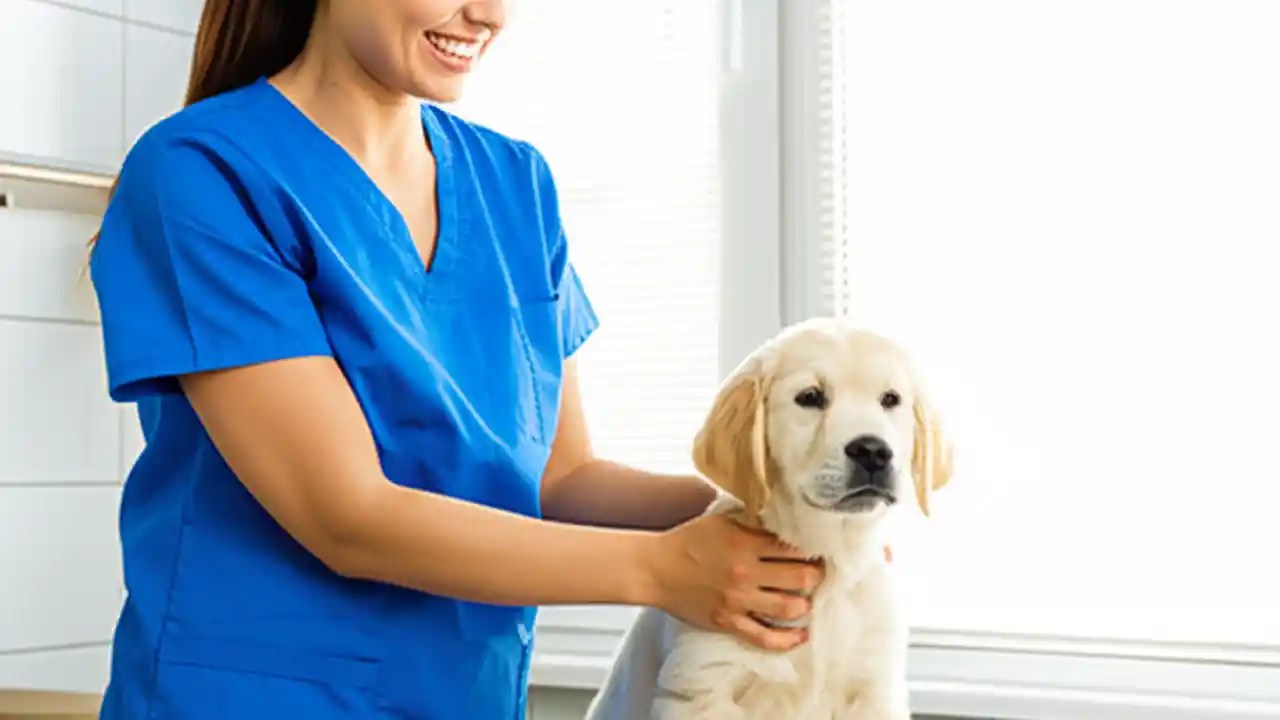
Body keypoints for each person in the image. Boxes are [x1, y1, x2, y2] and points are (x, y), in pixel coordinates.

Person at [87, 1, 824, 718]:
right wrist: (665, 570)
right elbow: (345, 515)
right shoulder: (203, 173)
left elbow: (563, 479)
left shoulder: (513, 184)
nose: (490, 14)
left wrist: (776, 509)